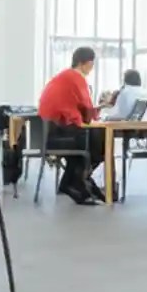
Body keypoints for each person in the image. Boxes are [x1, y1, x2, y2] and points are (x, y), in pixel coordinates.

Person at [38, 47, 108, 205]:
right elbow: (87, 109)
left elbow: (81, 111)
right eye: (92, 64)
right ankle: (76, 182)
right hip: (61, 133)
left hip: (49, 132)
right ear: (86, 63)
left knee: (92, 138)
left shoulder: (63, 77)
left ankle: (78, 182)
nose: (92, 68)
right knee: (100, 140)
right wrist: (104, 106)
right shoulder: (77, 78)